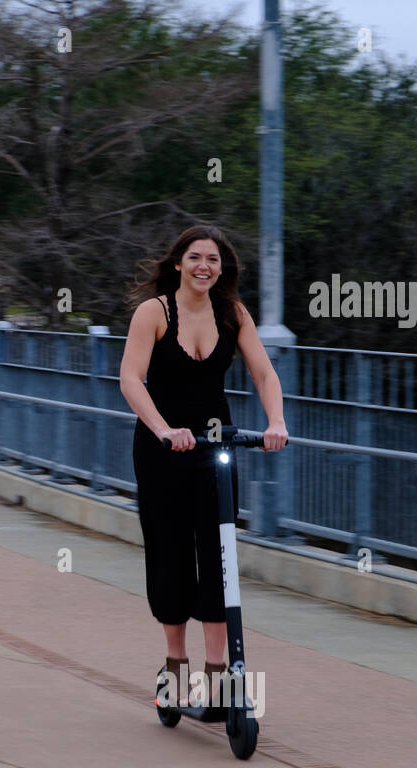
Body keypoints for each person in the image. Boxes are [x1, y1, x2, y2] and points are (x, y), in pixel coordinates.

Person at [119, 225, 288, 707]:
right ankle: (176, 665)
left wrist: (275, 421)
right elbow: (131, 379)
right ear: (178, 263)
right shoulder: (153, 313)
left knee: (219, 556)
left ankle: (219, 674)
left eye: (213, 260)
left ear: (222, 269)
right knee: (170, 553)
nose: (204, 267)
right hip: (163, 450)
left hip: (217, 447)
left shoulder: (233, 315)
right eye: (195, 257)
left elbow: (263, 371)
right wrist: (162, 429)